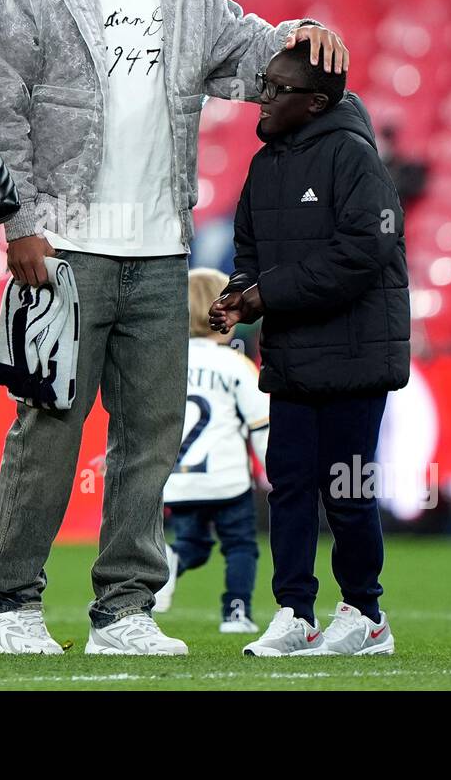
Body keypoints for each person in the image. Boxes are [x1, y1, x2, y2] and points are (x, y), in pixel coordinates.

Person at [0, 0, 348, 656]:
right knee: (50, 425)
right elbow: (0, 105)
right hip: (65, 242)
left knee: (149, 435)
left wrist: (304, 32)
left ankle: (124, 610)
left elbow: (249, 53)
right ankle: (10, 604)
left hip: (160, 245)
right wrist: (22, 223)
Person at [211, 46, 409, 657]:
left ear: (316, 103)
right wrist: (239, 294)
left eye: (277, 89)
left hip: (354, 353)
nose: (262, 96)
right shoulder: (265, 164)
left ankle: (366, 615)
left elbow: (362, 251)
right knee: (290, 486)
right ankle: (296, 612)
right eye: (264, 85)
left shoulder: (353, 156)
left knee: (346, 489)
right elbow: (248, 248)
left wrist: (266, 294)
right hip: (294, 351)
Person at [153, 268, 269, 633]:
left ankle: (172, 559)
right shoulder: (236, 364)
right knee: (240, 545)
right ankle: (236, 612)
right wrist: (273, 473)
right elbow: (260, 424)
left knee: (193, 543)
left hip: (179, 481)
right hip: (227, 478)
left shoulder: (165, 365)